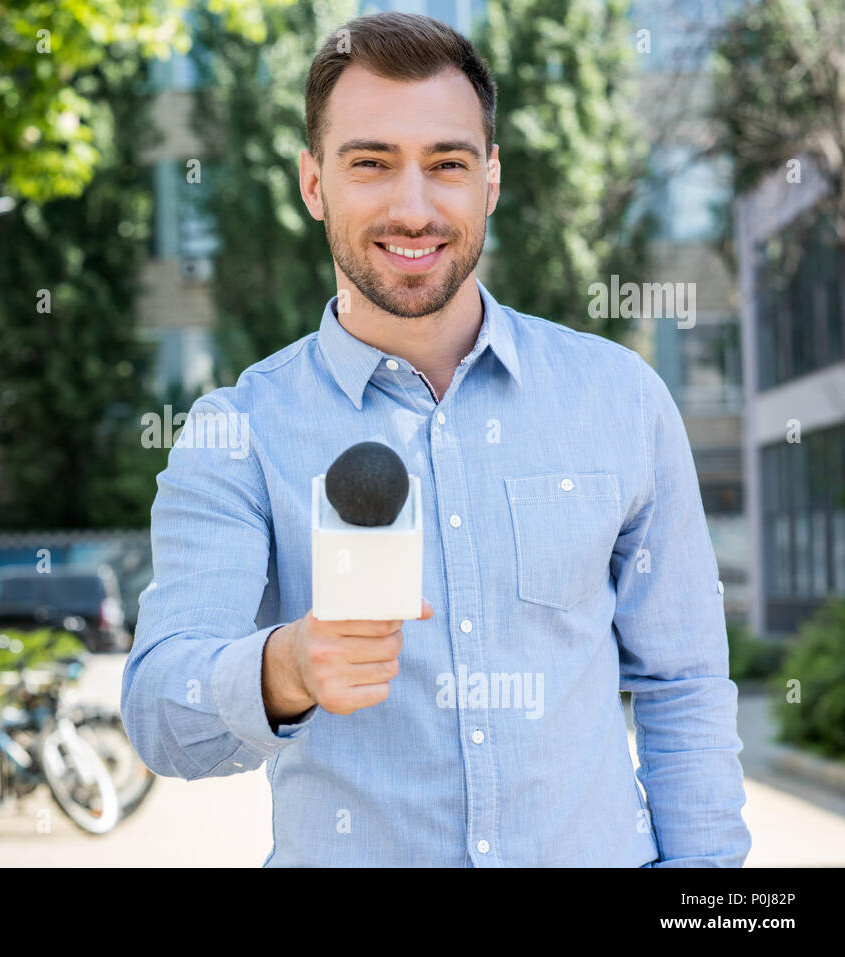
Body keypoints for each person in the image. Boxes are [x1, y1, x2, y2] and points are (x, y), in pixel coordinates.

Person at [121, 10, 751, 867]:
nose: (413, 208)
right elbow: (161, 709)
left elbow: (683, 687)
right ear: (313, 184)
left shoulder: (621, 400)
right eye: (371, 163)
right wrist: (288, 666)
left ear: (489, 179)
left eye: (446, 164)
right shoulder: (238, 432)